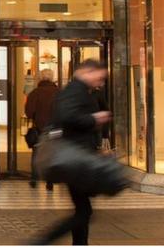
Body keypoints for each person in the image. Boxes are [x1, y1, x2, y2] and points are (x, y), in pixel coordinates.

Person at [33, 59, 111, 246]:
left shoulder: (79, 90)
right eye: (99, 78)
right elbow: (67, 117)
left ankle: (76, 243)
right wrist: (94, 119)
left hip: (77, 157)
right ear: (87, 71)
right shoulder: (74, 91)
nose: (100, 83)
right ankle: (42, 241)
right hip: (75, 159)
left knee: (83, 210)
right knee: (84, 211)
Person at [24, 68, 58, 191]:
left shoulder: (35, 93)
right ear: (52, 77)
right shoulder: (59, 92)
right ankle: (50, 182)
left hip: (39, 128)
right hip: (55, 129)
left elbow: (29, 112)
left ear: (40, 78)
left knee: (36, 153)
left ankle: (34, 178)